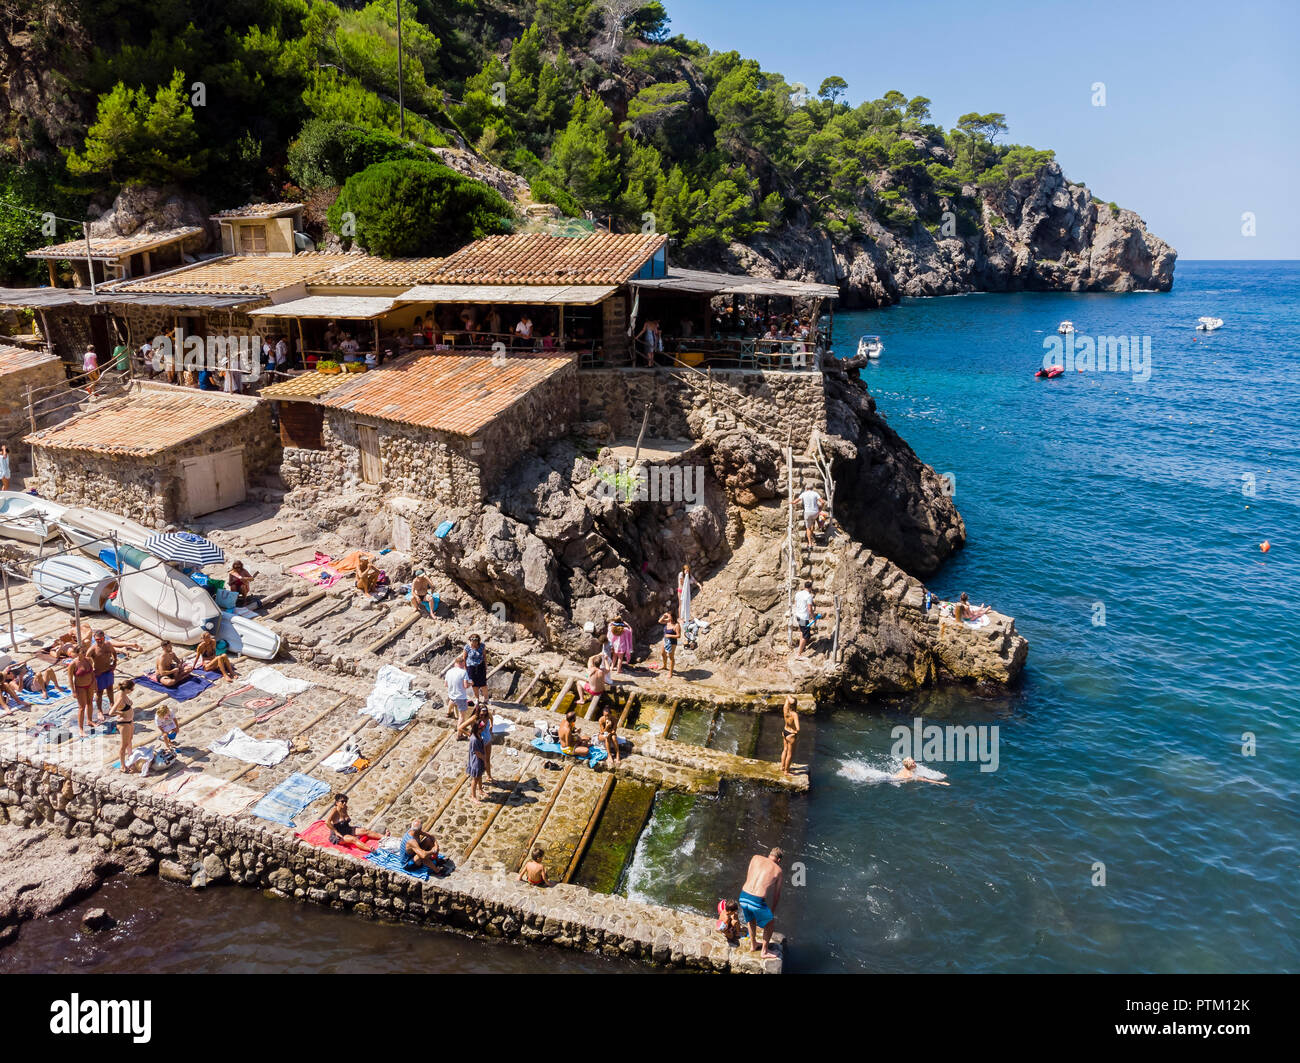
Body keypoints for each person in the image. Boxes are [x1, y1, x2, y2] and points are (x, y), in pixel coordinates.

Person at [738, 848, 784, 959]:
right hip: (756, 900)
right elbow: (776, 895)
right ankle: (764, 951)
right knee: (770, 923)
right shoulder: (778, 870)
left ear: (769, 854)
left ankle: (753, 944)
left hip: (743, 896)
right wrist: (772, 911)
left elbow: (749, 876)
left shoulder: (755, 858)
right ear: (778, 860)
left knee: (751, 919)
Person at [88, 630, 117, 720]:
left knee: (110, 689)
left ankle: (112, 704)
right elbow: (85, 659)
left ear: (104, 637)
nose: (99, 641)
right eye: (97, 639)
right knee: (99, 693)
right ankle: (99, 711)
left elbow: (114, 653)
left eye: (101, 639)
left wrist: (115, 663)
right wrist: (91, 671)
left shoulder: (108, 644)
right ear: (94, 639)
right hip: (99, 673)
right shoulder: (93, 649)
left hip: (108, 671)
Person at [67, 647, 97, 732]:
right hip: (80, 687)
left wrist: (95, 684)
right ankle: (80, 728)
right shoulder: (73, 664)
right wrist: (73, 691)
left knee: (90, 703)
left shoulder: (88, 660)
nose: (84, 653)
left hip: (90, 684)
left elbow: (92, 673)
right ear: (77, 653)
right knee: (82, 707)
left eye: (85, 651)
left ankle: (90, 721)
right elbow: (70, 679)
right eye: (82, 652)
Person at [110, 679, 136, 774]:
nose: (132, 691)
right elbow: (111, 712)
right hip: (123, 723)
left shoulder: (124, 694)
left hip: (129, 721)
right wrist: (121, 713)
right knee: (124, 745)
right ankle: (122, 765)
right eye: (131, 689)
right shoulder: (120, 697)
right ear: (127, 689)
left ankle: (130, 757)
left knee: (130, 739)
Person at [793, 482, 823, 549]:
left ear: (806, 488)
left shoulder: (804, 494)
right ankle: (820, 524)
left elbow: (795, 501)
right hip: (815, 513)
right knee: (814, 520)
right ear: (812, 488)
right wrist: (820, 508)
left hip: (807, 513)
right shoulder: (815, 493)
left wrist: (791, 502)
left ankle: (810, 543)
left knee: (808, 528)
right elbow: (822, 502)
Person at [444, 653, 471, 726]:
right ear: (462, 663)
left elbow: (445, 684)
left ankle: (448, 713)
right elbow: (465, 686)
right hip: (461, 696)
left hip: (451, 694)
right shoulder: (464, 672)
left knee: (452, 701)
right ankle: (459, 733)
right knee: (462, 716)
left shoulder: (449, 671)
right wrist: (471, 683)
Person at [466, 716, 487, 802]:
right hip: (476, 761)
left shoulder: (478, 735)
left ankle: (480, 790)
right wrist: (485, 760)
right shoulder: (474, 739)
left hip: (480, 759)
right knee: (475, 779)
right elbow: (477, 753)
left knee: (480, 775)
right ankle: (473, 796)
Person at [793, 579, 815, 658]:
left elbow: (795, 603)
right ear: (810, 587)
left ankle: (801, 648)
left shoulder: (798, 593)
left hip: (798, 616)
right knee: (806, 636)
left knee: (802, 632)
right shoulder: (809, 596)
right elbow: (810, 609)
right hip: (804, 617)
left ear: (804, 586)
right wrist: (813, 617)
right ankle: (798, 654)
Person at [464, 633, 488, 705]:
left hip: (480, 665)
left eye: (475, 641)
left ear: (478, 641)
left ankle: (486, 699)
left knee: (483, 683)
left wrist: (485, 665)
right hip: (470, 667)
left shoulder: (482, 646)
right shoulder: (467, 647)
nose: (473, 643)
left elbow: (484, 656)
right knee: (474, 683)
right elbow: (464, 657)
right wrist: (465, 668)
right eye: (472, 641)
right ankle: (477, 698)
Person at [582, 652, 609, 716]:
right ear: (600, 663)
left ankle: (581, 699)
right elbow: (608, 669)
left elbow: (590, 658)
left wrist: (598, 654)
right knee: (594, 683)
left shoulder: (590, 668)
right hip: (601, 691)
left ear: (593, 663)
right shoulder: (602, 671)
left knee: (578, 683)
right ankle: (591, 697)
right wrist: (605, 659)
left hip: (593, 691)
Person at [779, 694, 800, 776]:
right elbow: (798, 728)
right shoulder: (794, 714)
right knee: (790, 754)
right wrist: (795, 731)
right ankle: (786, 771)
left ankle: (782, 767)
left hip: (784, 731)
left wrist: (789, 699)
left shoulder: (785, 710)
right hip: (791, 734)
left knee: (785, 749)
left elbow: (787, 696)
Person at [657, 612, 680, 678]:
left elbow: (678, 635)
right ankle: (664, 666)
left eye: (669, 616)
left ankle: (670, 672)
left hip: (672, 642)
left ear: (672, 617)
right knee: (662, 653)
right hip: (665, 640)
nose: (668, 618)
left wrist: (669, 635)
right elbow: (659, 621)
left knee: (671, 657)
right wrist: (664, 616)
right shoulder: (668, 621)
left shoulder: (676, 625)